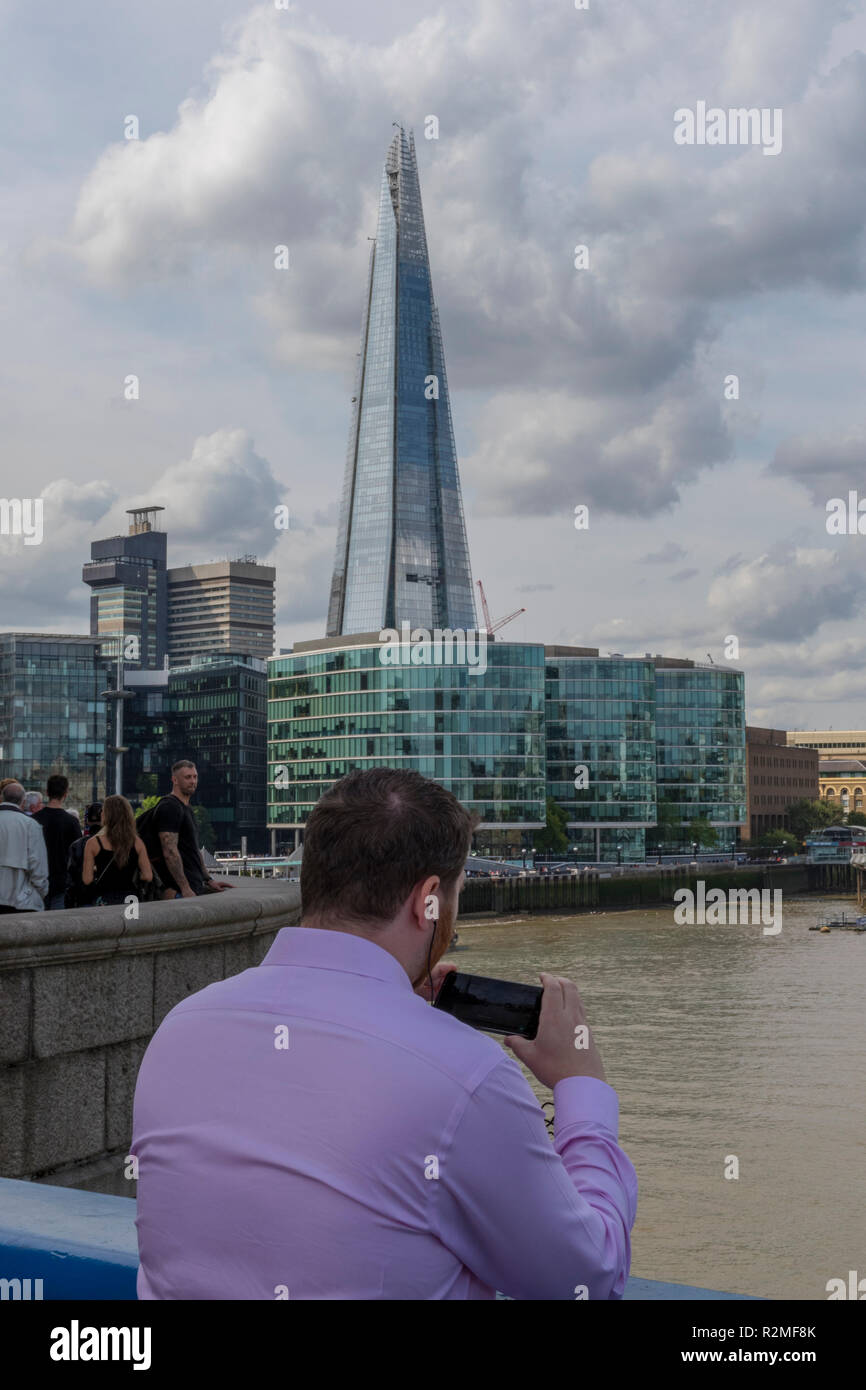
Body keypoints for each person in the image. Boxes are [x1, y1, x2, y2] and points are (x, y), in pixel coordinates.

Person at [133, 767, 637, 1300]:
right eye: (455, 894)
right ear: (428, 900)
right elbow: (589, 1279)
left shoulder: (181, 1026)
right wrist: (581, 1087)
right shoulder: (465, 1078)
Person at [148, 761, 232, 899]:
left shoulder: (187, 808)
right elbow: (169, 851)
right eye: (187, 777)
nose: (193, 781)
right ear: (174, 780)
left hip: (194, 886)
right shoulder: (169, 807)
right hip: (177, 892)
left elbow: (194, 849)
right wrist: (185, 888)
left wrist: (208, 880)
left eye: (195, 777)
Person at [81, 795, 154, 906]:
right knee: (132, 923)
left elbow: (87, 879)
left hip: (104, 900)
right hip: (131, 900)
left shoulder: (93, 843)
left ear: (107, 815)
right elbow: (148, 876)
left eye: (103, 810)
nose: (101, 813)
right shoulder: (137, 842)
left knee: (107, 924)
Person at [34, 776, 81, 911]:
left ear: (47, 792)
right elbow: (77, 854)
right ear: (66, 794)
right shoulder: (72, 821)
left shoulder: (33, 820)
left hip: (37, 880)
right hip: (62, 882)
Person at [0, 782, 49, 914]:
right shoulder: (30, 824)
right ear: (23, 801)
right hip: (22, 900)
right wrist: (41, 892)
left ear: (2, 797)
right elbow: (38, 866)